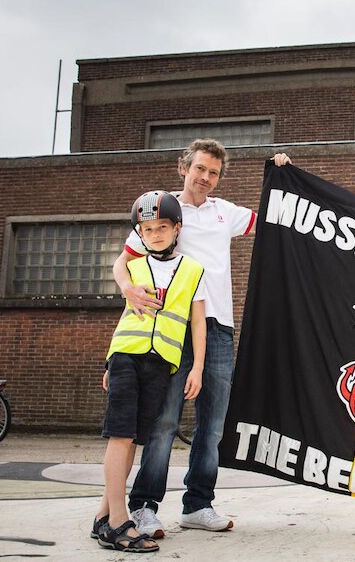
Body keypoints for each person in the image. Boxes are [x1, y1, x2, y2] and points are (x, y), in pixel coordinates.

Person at [115, 139, 291, 537]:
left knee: (213, 426)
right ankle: (144, 506)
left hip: (219, 329)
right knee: (164, 421)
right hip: (174, 327)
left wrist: (282, 175)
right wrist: (127, 288)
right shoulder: (164, 210)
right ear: (184, 168)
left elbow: (274, 219)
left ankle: (197, 505)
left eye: (213, 172)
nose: (206, 178)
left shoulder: (223, 212)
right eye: (200, 169)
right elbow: (122, 260)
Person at [93, 191, 206, 552]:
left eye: (161, 227)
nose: (154, 234)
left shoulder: (192, 270)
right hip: (127, 355)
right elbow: (119, 279)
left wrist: (198, 367)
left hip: (162, 364)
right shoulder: (134, 266)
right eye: (147, 229)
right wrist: (111, 361)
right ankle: (117, 522)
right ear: (138, 233)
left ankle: (102, 515)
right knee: (120, 436)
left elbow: (197, 323)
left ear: (177, 228)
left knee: (133, 438)